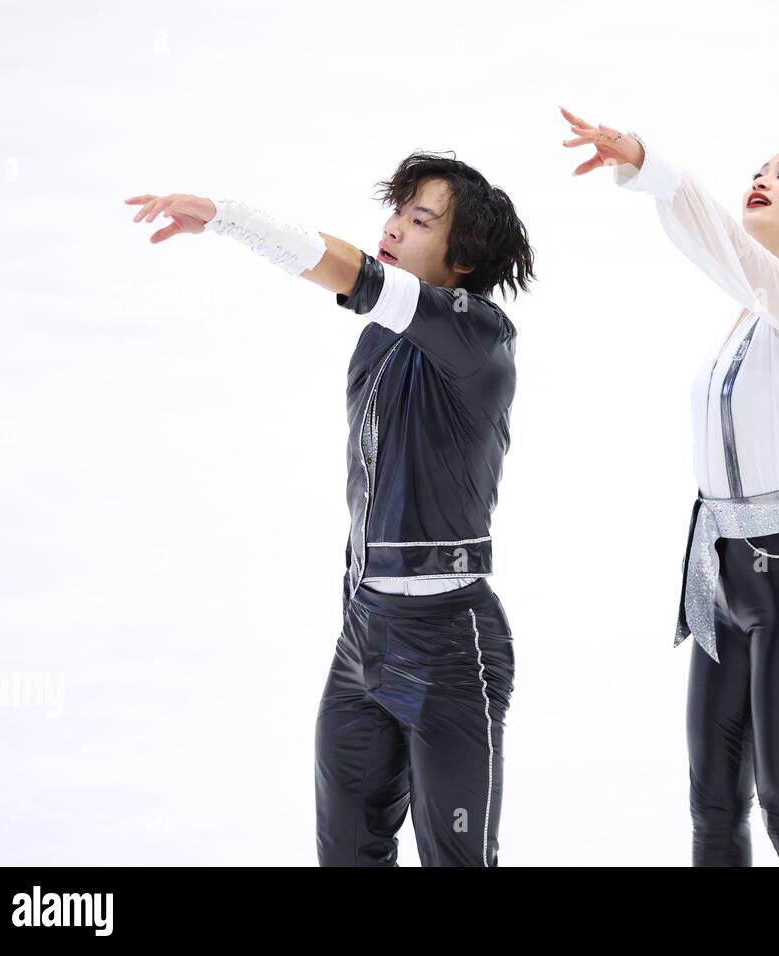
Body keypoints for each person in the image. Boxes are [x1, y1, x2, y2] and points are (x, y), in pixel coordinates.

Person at [123, 148, 535, 867]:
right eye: (397, 212)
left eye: (420, 218)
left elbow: (347, 269)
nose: (395, 228)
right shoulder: (380, 337)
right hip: (364, 639)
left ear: (463, 255)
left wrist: (225, 216)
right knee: (345, 850)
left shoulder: (477, 333)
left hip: (450, 647)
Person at [560, 106, 779, 866]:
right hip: (721, 579)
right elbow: (713, 247)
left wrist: (651, 164)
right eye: (757, 170)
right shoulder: (752, 312)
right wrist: (650, 181)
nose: (761, 179)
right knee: (715, 807)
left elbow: (718, 245)